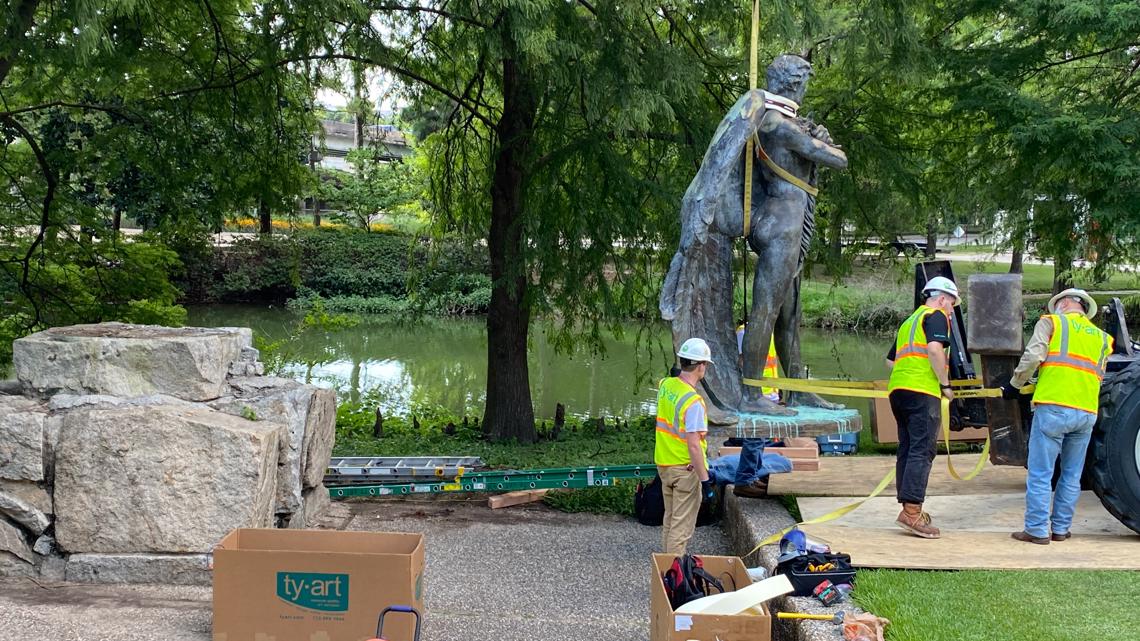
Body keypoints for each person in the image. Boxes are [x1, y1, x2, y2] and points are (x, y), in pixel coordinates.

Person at [1001, 288, 1113, 545]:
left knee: (1041, 472)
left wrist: (1015, 385)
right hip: (1086, 411)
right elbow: (1097, 375)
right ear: (1083, 308)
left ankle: (1037, 530)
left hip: (1053, 407)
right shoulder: (1103, 338)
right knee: (1072, 475)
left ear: (1062, 304)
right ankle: (1061, 529)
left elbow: (1033, 356)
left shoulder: (1051, 322)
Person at [884, 276, 959, 539]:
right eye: (952, 304)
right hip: (922, 392)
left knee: (907, 447)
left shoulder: (909, 321)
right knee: (922, 450)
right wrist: (945, 384)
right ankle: (912, 512)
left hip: (898, 391)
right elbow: (935, 350)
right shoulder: (936, 315)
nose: (952, 310)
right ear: (941, 299)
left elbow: (891, 361)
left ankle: (908, 506)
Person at [655, 337, 715, 554]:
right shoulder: (693, 402)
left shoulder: (665, 385)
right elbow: (694, 446)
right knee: (680, 530)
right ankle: (673, 579)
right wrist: (705, 480)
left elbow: (666, 382)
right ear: (701, 366)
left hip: (664, 465)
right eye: (705, 365)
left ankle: (665, 574)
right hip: (685, 470)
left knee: (670, 522)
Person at [733, 321, 780, 498]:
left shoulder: (770, 331)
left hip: (769, 395)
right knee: (754, 439)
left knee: (760, 440)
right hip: (756, 396)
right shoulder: (745, 332)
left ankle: (753, 476)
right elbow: (740, 362)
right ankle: (744, 480)